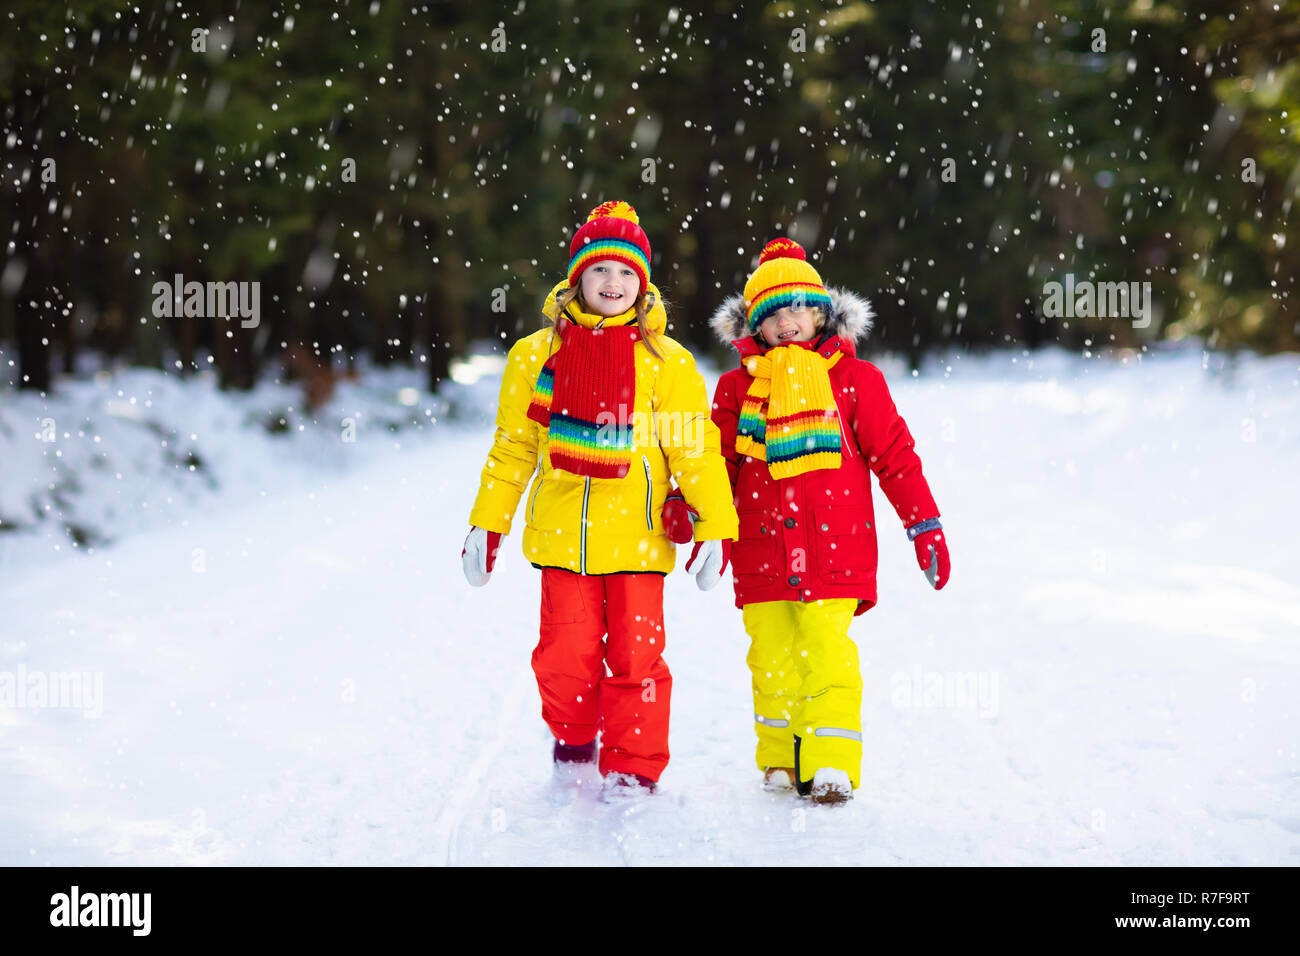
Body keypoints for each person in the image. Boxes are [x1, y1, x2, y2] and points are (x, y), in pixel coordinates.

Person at [462, 201, 738, 798]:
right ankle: (573, 734)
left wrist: (717, 523)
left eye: (626, 273)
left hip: (640, 539)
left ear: (643, 284)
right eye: (599, 271)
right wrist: (488, 523)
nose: (613, 284)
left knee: (638, 660)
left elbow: (695, 451)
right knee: (564, 656)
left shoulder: (667, 362)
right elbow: (513, 448)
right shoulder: (537, 356)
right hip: (564, 537)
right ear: (577, 277)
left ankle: (635, 765)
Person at [689, 237, 950, 805]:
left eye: (799, 309)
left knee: (828, 651)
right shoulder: (736, 389)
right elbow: (717, 465)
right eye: (772, 313)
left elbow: (895, 458)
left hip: (837, 547)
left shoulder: (857, 382)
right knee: (772, 656)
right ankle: (782, 759)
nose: (787, 323)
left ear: (822, 312)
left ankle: (830, 762)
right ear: (754, 325)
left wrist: (923, 523)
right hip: (761, 549)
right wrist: (700, 519)